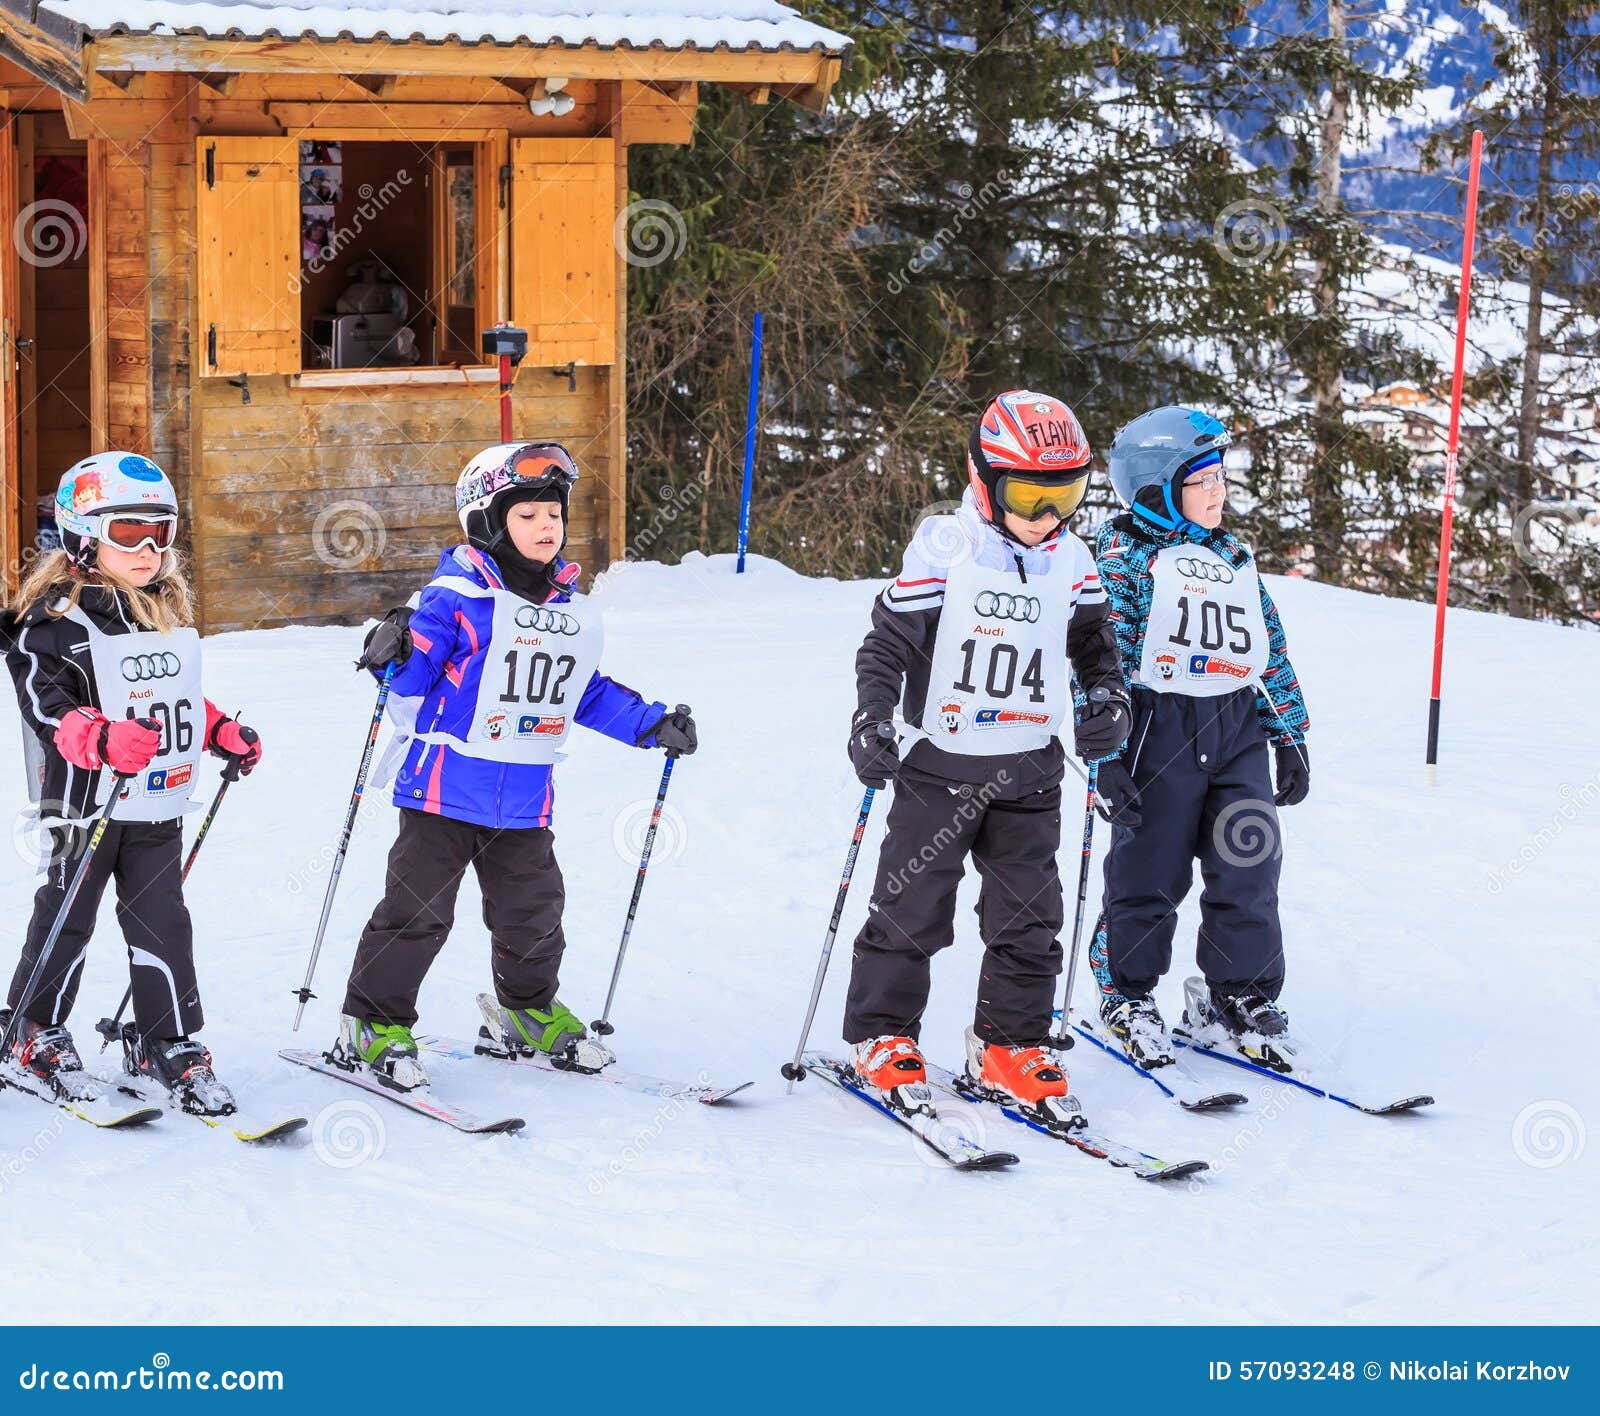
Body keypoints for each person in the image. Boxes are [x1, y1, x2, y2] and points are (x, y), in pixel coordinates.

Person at [335, 442, 697, 1090]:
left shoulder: (564, 612)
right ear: (488, 522)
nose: (546, 526)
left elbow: (584, 692)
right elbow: (412, 678)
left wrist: (650, 724)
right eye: (527, 515)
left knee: (534, 914)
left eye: (553, 514)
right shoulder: (454, 597)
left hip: (525, 799)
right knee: (417, 913)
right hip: (443, 792)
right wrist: (393, 650)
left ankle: (526, 1010)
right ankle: (372, 1021)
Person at [841, 391, 1131, 1125]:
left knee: (1029, 917)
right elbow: (887, 643)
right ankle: (883, 1033)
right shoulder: (948, 545)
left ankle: (1009, 1043)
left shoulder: (1071, 558)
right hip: (941, 764)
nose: (1048, 516)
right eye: (1030, 496)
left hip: (1029, 768)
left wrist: (1109, 700)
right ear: (985, 479)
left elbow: (1095, 645)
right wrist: (872, 717)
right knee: (911, 907)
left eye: (1066, 495)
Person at [1, 452, 262, 1113]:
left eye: (160, 532)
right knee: (68, 917)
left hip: (155, 803)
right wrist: (99, 737)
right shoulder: (50, 625)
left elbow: (174, 699)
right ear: (82, 537)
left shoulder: (157, 614)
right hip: (83, 808)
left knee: (163, 921)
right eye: (128, 532)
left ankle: (163, 1040)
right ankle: (32, 1028)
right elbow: (47, 707)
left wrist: (219, 730)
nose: (148, 549)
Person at [1087, 405, 1309, 1069]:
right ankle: (1126, 991)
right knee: (1149, 869)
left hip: (1235, 729)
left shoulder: (1231, 557)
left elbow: (1267, 651)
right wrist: (1107, 755)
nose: (1219, 491)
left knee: (1249, 864)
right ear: (1156, 489)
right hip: (1157, 732)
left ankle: (1240, 992)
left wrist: (1289, 734)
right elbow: (1097, 661)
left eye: (1221, 477)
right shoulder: (1123, 560)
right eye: (1203, 480)